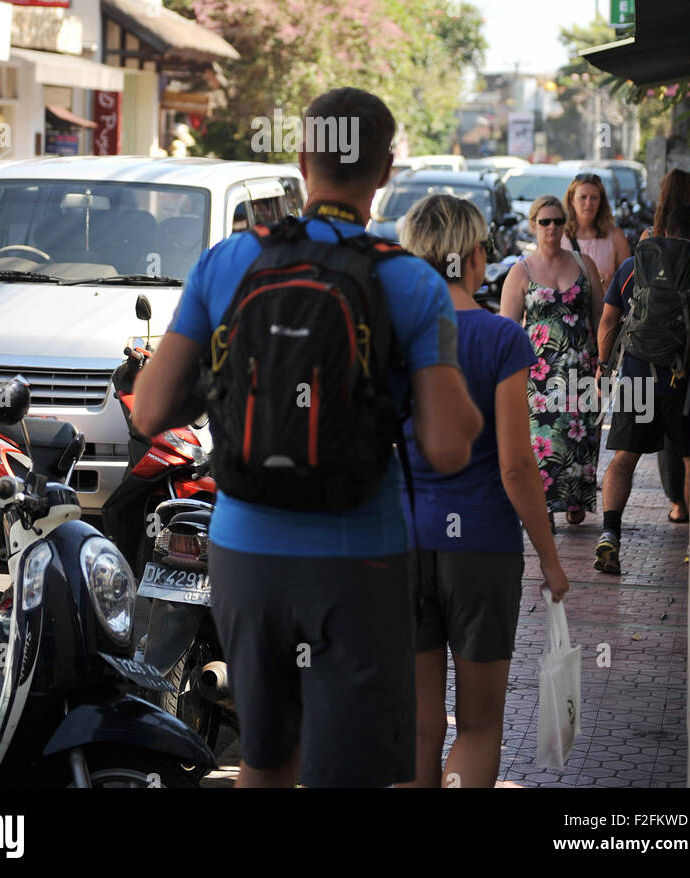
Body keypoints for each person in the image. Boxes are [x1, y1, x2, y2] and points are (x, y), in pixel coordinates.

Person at [131, 87, 483, 789]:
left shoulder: (228, 262)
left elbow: (149, 410)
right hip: (362, 559)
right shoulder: (410, 281)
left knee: (263, 761)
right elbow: (447, 447)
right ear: (385, 170)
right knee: (346, 772)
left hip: (245, 552)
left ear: (300, 160)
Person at [395, 194, 569, 789]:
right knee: (478, 724)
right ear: (474, 257)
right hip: (482, 549)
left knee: (418, 726)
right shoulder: (501, 339)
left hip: (402, 544)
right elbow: (518, 467)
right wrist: (550, 558)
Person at [594, 205, 690, 576]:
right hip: (682, 381)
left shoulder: (631, 267)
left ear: (656, 231)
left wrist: (603, 368)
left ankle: (609, 534)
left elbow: (608, 322)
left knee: (624, 457)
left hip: (637, 376)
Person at [501, 195, 604, 527]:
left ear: (565, 225)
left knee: (581, 436)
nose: (552, 228)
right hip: (539, 375)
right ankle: (542, 502)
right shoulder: (521, 271)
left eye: (558, 221)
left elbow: (600, 316)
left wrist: (603, 362)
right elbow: (508, 329)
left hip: (581, 370)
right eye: (545, 222)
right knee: (542, 440)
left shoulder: (584, 264)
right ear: (534, 225)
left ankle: (576, 500)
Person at [640, 169, 690, 523]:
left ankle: (676, 500)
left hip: (653, 348)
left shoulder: (650, 240)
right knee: (686, 429)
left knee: (664, 432)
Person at [562, 172, 631, 293]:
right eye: (583, 197)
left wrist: (611, 283)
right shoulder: (559, 235)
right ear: (571, 200)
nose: (588, 204)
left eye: (594, 198)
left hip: (605, 310)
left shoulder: (615, 236)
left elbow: (629, 281)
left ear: (601, 202)